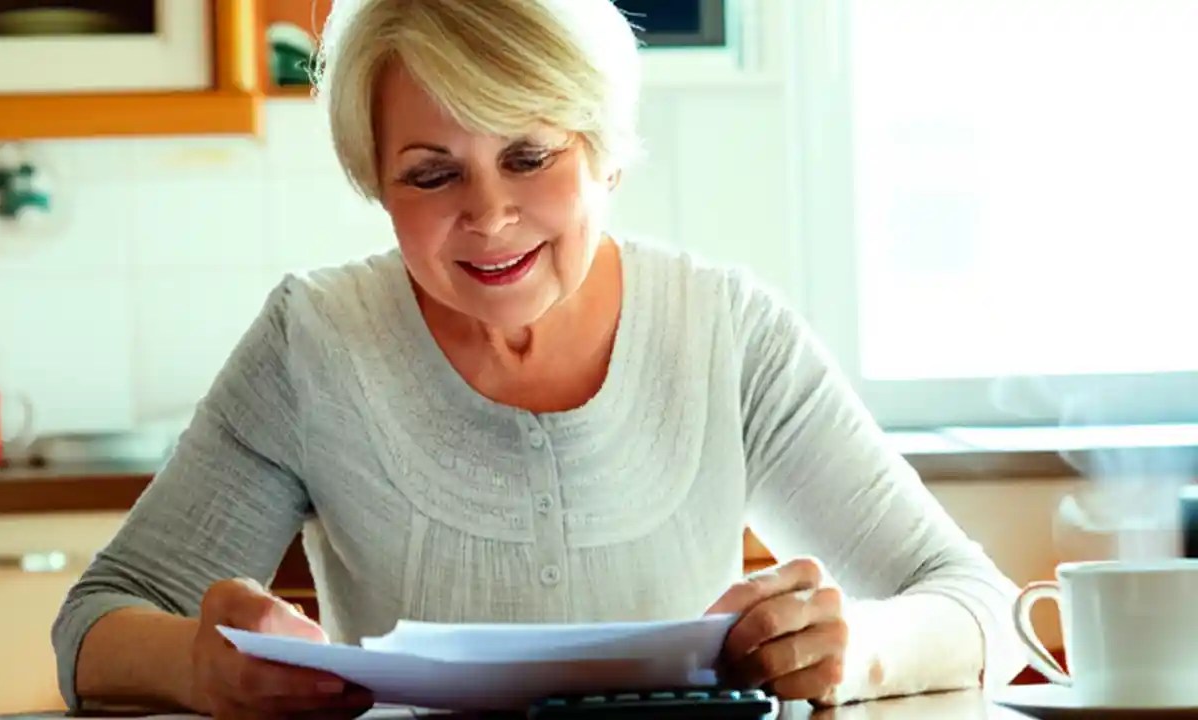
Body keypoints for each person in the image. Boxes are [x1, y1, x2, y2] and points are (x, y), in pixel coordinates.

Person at [52, 0, 1027, 717]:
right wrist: (195, 662)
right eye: (431, 174)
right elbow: (94, 623)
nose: (487, 217)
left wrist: (855, 650)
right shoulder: (315, 340)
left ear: (600, 150)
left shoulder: (723, 330)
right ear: (376, 186)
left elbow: (971, 601)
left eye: (528, 157)